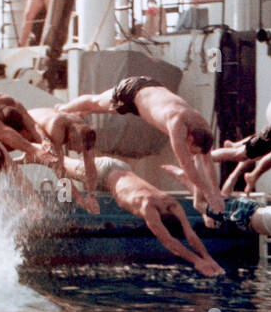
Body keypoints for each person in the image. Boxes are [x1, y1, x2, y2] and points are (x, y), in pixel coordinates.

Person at [58, 76, 224, 216]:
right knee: (95, 103)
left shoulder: (201, 124)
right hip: (133, 92)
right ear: (189, 137)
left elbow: (207, 161)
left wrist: (216, 194)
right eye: (189, 148)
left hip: (151, 89)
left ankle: (79, 111)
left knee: (94, 107)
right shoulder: (177, 123)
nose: (189, 152)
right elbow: (186, 164)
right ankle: (62, 110)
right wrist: (208, 193)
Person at [62, 154, 224, 277]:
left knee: (64, 161)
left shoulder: (170, 202)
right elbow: (169, 242)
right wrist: (197, 261)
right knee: (59, 161)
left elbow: (190, 234)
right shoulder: (148, 208)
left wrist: (208, 258)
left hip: (121, 168)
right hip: (101, 172)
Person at [29, 106, 98, 195]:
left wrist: (91, 195)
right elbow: (59, 167)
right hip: (21, 124)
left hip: (38, 123)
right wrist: (75, 197)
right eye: (77, 149)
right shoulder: (56, 129)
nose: (77, 152)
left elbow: (90, 166)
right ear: (71, 138)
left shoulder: (83, 129)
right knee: (53, 159)